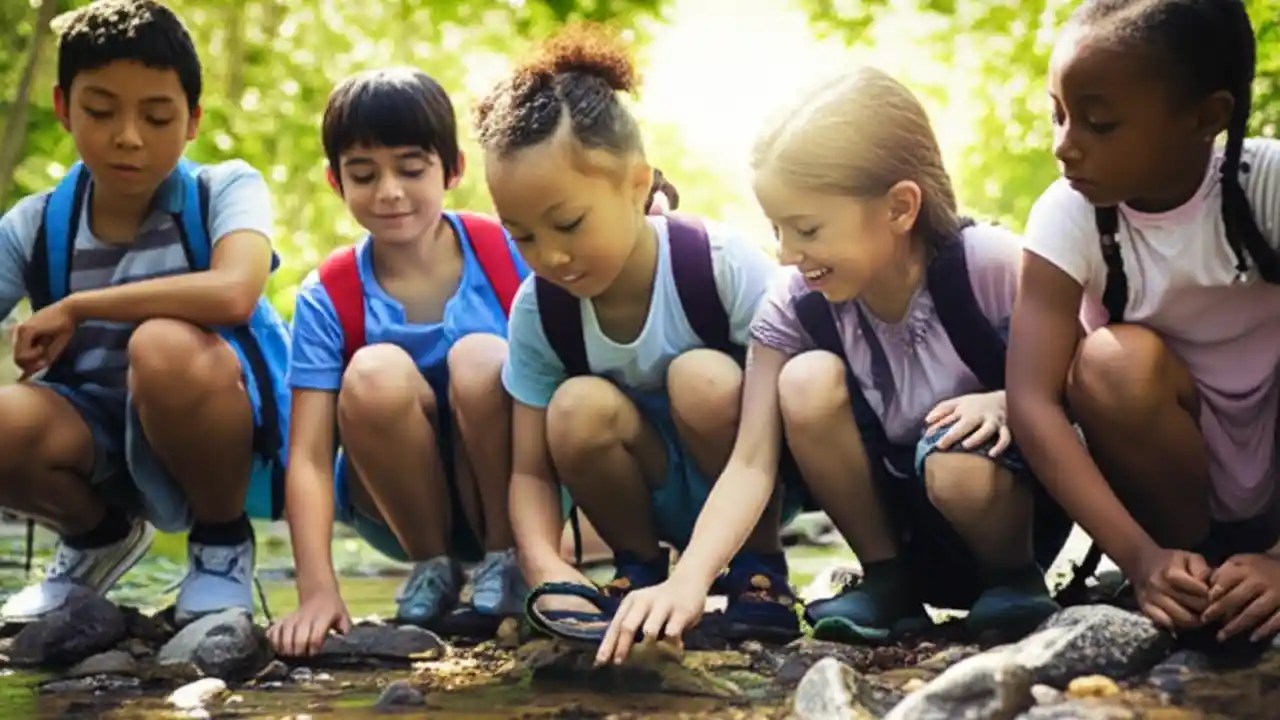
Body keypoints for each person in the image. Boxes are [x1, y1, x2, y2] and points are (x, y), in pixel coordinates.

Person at [598, 66, 1074, 660]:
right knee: (804, 380)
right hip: (905, 526)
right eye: (776, 228)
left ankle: (1011, 581)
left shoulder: (993, 266)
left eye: (807, 228)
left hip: (1004, 513)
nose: (786, 253)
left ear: (900, 208)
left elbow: (1074, 381)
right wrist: (689, 578)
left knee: (956, 467)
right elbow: (750, 462)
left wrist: (1006, 399)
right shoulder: (795, 304)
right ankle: (886, 580)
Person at [473, 24, 798, 644]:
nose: (552, 255)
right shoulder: (541, 312)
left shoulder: (723, 264)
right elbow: (532, 472)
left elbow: (769, 442)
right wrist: (547, 568)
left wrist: (699, 576)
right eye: (523, 236)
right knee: (573, 407)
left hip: (747, 479)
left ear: (635, 184)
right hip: (644, 481)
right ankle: (637, 566)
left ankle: (758, 569)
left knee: (701, 377)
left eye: (568, 223)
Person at [0, 0, 291, 625]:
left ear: (191, 121)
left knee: (162, 346)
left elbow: (235, 291)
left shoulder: (225, 190)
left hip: (208, 422)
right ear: (62, 108)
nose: (127, 136)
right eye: (100, 111)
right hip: (90, 434)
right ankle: (95, 538)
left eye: (157, 116)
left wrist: (80, 305)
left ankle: (220, 544)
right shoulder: (38, 224)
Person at [1008, 0, 1280, 646]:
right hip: (1178, 489)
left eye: (1099, 123)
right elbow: (1031, 402)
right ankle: (1197, 575)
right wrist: (1141, 558)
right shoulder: (1068, 217)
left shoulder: (1266, 183)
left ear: (1206, 118)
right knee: (1109, 362)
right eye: (1058, 113)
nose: (1063, 145)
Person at [267, 68, 530, 656]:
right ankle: (432, 565)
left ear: (453, 169)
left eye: (411, 169)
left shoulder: (509, 255)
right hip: (394, 505)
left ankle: (503, 558)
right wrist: (316, 589)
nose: (389, 191)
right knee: (373, 371)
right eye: (364, 174)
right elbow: (308, 456)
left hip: (514, 487)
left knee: (481, 357)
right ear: (337, 182)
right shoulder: (329, 295)